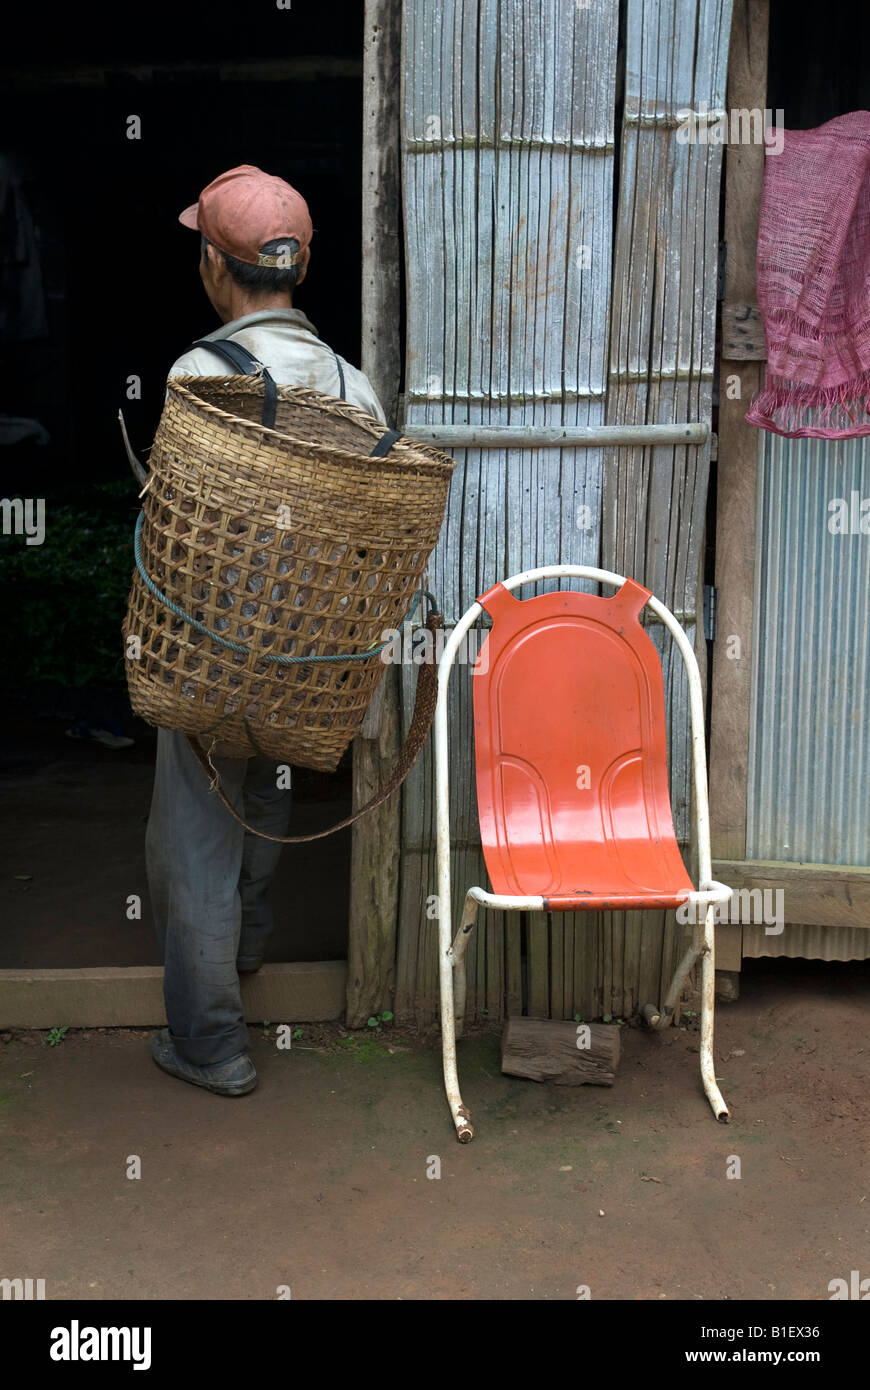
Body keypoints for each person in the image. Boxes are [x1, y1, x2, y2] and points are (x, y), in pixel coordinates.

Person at [146, 165, 386, 1097]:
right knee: (267, 789)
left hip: (211, 650)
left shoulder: (198, 376)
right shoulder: (356, 391)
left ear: (216, 264)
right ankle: (247, 945)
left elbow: (171, 526)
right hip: (309, 658)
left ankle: (210, 1042)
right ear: (302, 261)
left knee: (198, 828)